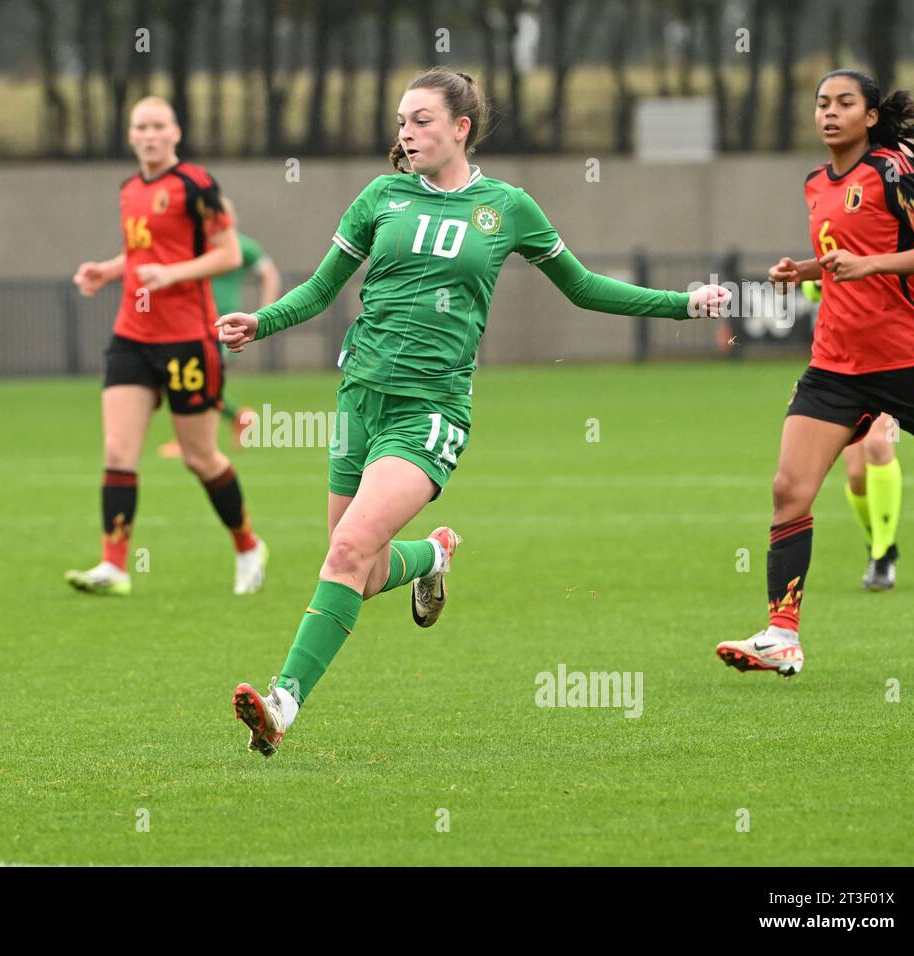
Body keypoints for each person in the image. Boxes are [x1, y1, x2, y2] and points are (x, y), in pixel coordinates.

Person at [217, 68, 731, 756]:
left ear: (461, 127)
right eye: (401, 120)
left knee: (344, 552)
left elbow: (581, 286)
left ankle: (282, 704)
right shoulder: (380, 196)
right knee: (358, 570)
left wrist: (683, 303)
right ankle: (432, 557)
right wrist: (263, 320)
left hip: (429, 411)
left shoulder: (506, 207)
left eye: (422, 119)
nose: (407, 131)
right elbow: (318, 289)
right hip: (358, 400)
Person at [717, 70, 914, 677]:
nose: (830, 112)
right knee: (789, 488)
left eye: (845, 103)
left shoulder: (893, 169)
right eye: (822, 103)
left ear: (871, 116)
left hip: (910, 358)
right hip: (835, 365)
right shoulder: (816, 182)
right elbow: (847, 255)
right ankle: (781, 634)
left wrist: (871, 265)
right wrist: (809, 269)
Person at [70, 96, 269, 597]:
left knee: (200, 457)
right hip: (132, 336)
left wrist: (173, 275)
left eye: (159, 125)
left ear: (175, 132)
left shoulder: (197, 184)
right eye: (141, 126)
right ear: (131, 135)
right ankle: (114, 565)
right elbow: (141, 253)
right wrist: (108, 270)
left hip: (187, 338)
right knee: (117, 449)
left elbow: (226, 255)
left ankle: (248, 546)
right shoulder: (129, 189)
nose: (150, 134)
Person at [799, 278, 902, 590]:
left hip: (894, 362)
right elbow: (811, 288)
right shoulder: (840, 243)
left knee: (878, 444)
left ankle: (883, 558)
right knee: (856, 475)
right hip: (842, 368)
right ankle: (879, 545)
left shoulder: (900, 245)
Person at [158, 196, 278, 457]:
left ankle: (205, 433)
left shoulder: (242, 246)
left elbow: (269, 274)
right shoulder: (198, 246)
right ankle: (227, 423)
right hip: (194, 323)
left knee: (198, 380)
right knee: (183, 377)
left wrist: (264, 314)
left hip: (225, 327)